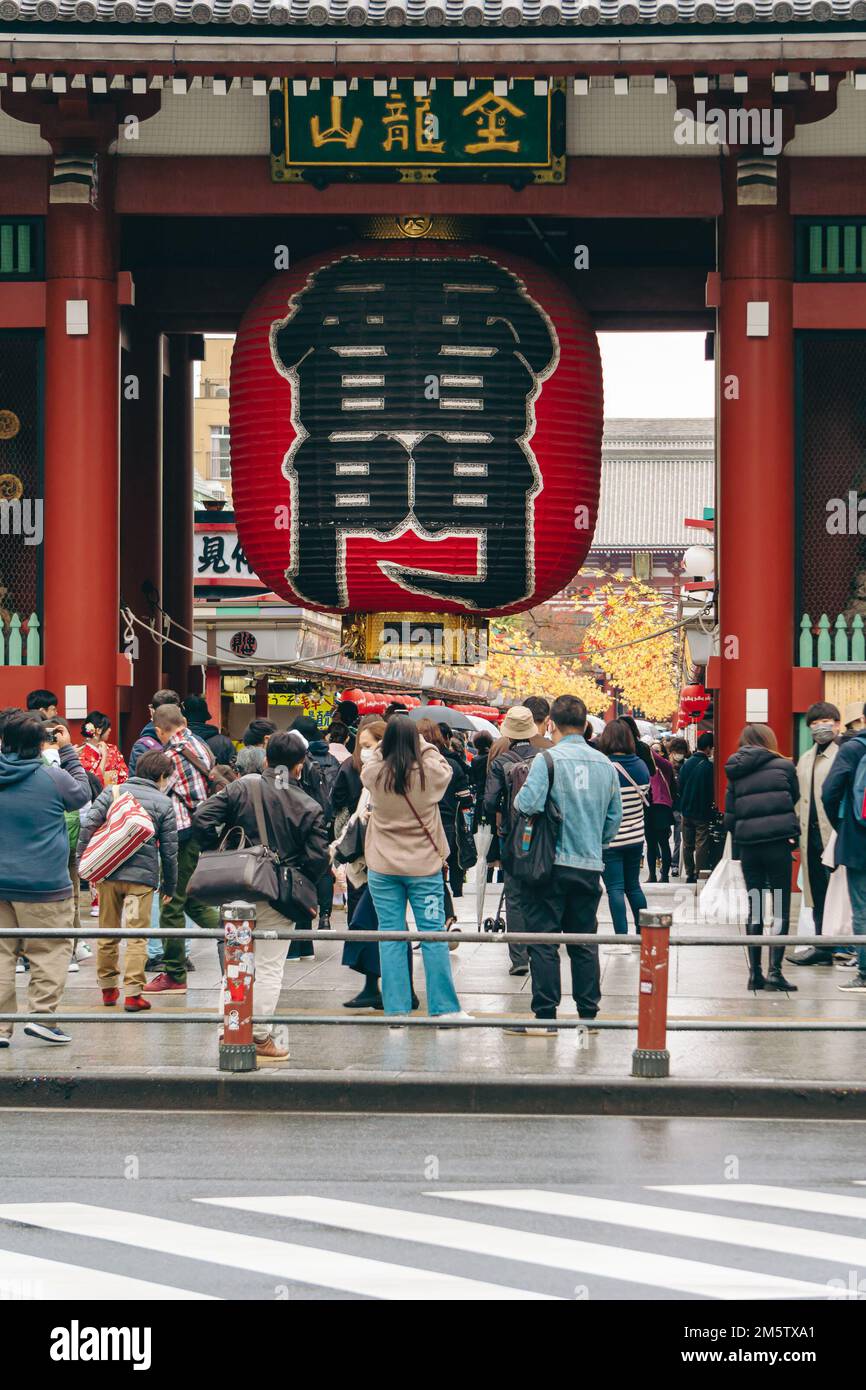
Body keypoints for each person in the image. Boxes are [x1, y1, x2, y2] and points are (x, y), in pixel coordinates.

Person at [193, 731, 329, 1061]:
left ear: (267, 760)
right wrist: (294, 873)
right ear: (299, 767)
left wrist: (225, 847)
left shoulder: (243, 786)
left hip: (238, 885)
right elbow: (319, 858)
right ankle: (257, 1035)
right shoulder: (308, 805)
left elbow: (201, 818)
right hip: (278, 893)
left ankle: (229, 1027)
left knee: (237, 961)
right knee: (268, 965)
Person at [509, 695, 622, 1036]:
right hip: (589, 865)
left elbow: (526, 803)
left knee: (544, 941)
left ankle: (546, 1017)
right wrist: (593, 842)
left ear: (550, 725)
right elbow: (614, 819)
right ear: (587, 725)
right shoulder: (605, 765)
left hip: (549, 865)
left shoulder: (548, 761)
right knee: (584, 941)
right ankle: (588, 1015)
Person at [361, 716, 469, 1021]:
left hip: (382, 865)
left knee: (391, 935)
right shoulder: (430, 773)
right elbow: (440, 761)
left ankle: (396, 1009)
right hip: (424, 866)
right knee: (433, 934)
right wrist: (419, 741)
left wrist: (390, 742)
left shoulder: (374, 774)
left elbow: (374, 757)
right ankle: (444, 1008)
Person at [0, 712, 91, 1045]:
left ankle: (0, 1026)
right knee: (50, 949)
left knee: (1, 953)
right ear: (41, 742)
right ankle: (41, 1016)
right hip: (44, 884)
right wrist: (68, 753)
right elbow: (82, 794)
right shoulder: (53, 777)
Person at [77, 750, 178, 1013]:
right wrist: (170, 885)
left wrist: (83, 863)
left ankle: (108, 989)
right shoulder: (163, 803)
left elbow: (88, 826)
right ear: (161, 776)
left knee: (107, 932)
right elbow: (169, 850)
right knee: (136, 935)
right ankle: (133, 994)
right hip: (140, 882)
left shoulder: (112, 792)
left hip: (108, 874)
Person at [143, 704, 220, 995]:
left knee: (170, 903)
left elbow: (164, 792)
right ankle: (235, 932)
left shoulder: (171, 756)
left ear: (160, 730)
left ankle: (174, 974)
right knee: (190, 900)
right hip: (199, 831)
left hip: (183, 832)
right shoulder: (198, 744)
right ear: (184, 722)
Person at [724, 724, 799, 993]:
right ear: (769, 740)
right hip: (777, 846)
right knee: (779, 906)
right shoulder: (785, 766)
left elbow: (729, 815)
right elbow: (794, 797)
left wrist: (744, 834)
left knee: (755, 906)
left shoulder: (735, 770)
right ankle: (775, 972)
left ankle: (755, 973)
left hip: (750, 848)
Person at [483, 705, 544, 976]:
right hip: (542, 834)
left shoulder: (500, 762)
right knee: (541, 893)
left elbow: (488, 802)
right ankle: (540, 951)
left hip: (511, 835)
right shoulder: (546, 758)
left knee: (515, 896)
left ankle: (519, 958)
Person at [792, 702, 841, 968]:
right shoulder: (807, 757)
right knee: (819, 893)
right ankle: (823, 946)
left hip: (834, 835)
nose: (821, 727)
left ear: (836, 723)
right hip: (810, 835)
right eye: (815, 723)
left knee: (839, 892)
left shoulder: (842, 754)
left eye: (826, 721)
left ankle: (840, 946)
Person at [822, 702, 866, 993]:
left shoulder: (852, 749)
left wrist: (843, 827)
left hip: (859, 840)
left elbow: (829, 792)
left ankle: (864, 973)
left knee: (862, 907)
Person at [597, 719, 650, 953]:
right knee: (634, 887)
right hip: (636, 836)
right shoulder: (640, 765)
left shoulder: (605, 767)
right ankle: (644, 935)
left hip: (612, 838)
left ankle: (622, 940)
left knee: (615, 889)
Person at [290, 715, 341, 934]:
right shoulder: (332, 759)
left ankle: (304, 920)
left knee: (302, 870)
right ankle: (325, 918)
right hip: (323, 820)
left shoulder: (300, 760)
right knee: (324, 867)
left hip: (302, 821)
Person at [417, 719, 473, 902]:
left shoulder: (410, 765)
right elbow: (466, 799)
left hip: (419, 823)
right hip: (447, 822)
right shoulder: (451, 764)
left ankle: (436, 901)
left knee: (429, 868)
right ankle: (453, 897)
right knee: (450, 858)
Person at [678, 731, 715, 882]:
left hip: (686, 811)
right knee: (701, 843)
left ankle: (689, 873)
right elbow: (711, 790)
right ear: (708, 748)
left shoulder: (686, 764)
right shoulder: (708, 766)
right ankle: (699, 873)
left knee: (687, 844)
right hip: (701, 811)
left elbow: (679, 786)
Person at [128, 688, 181, 774]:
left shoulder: (142, 746)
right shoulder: (195, 742)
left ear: (151, 710)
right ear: (179, 711)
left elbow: (136, 780)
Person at [646, 740, 676, 883]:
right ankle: (652, 875)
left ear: (663, 753)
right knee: (650, 844)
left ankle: (664, 875)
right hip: (649, 806)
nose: (655, 754)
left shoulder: (665, 766)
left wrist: (644, 746)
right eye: (654, 750)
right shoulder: (646, 768)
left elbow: (653, 757)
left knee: (663, 843)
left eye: (658, 751)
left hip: (662, 808)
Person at [78, 712, 129, 789]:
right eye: (107, 727)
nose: (110, 730)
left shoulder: (113, 749)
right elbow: (94, 782)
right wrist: (104, 756)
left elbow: (124, 774)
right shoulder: (81, 755)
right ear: (98, 730)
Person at [182, 694, 236, 766]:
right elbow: (234, 771)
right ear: (205, 716)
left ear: (183, 716)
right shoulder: (223, 742)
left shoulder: (175, 741)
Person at [668, 737, 690, 875]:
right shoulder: (667, 766)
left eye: (681, 751)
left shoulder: (686, 766)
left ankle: (674, 864)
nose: (679, 754)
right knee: (667, 838)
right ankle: (665, 861)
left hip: (679, 806)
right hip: (669, 805)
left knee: (678, 839)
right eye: (677, 751)